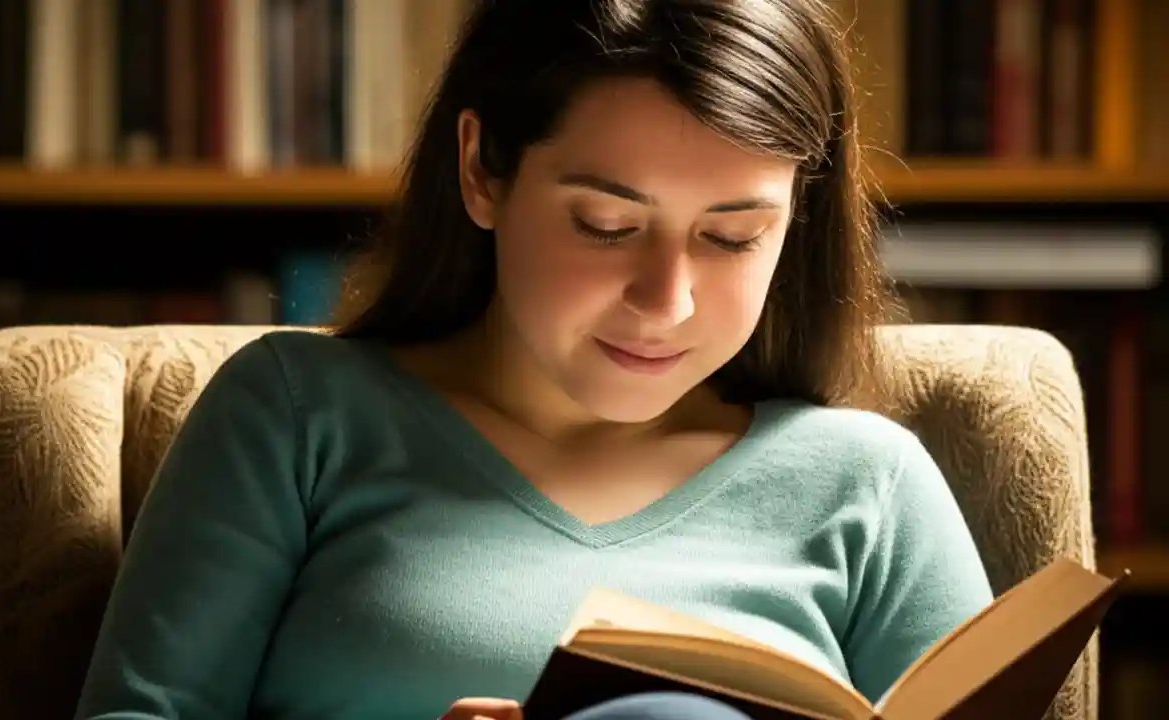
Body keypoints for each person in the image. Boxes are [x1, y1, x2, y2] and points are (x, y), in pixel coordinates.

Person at [73, 0, 995, 718]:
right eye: (606, 226)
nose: (665, 301)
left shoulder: (867, 485)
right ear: (481, 170)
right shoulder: (297, 416)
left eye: (733, 238)